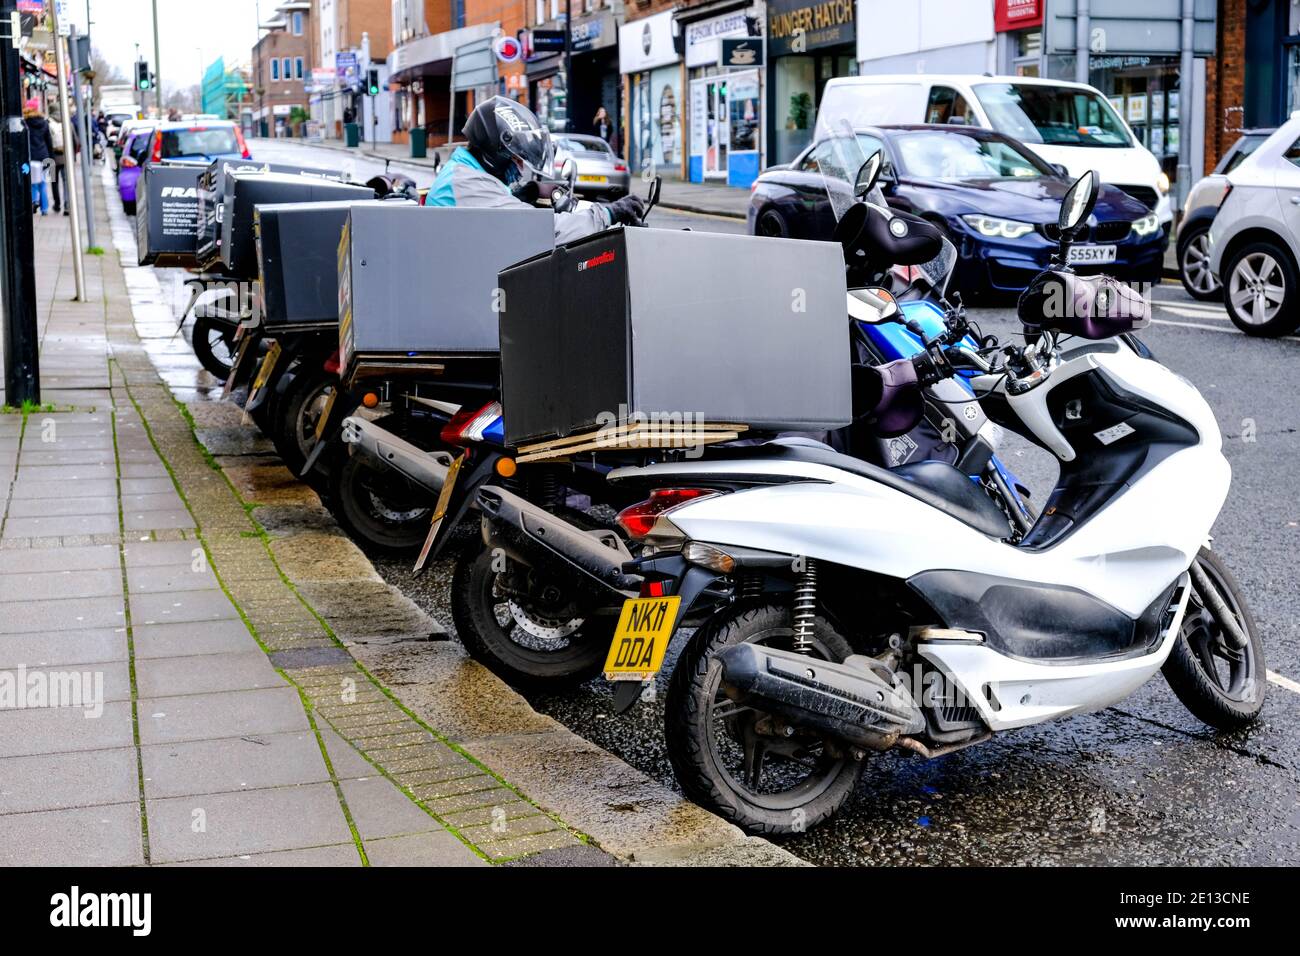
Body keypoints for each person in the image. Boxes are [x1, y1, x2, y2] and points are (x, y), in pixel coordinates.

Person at [428, 96, 643, 243]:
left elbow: (493, 206)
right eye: (517, 158)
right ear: (496, 153)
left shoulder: (464, 173)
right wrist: (608, 212)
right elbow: (544, 232)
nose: (520, 168)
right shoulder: (466, 183)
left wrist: (523, 193)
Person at [23, 99, 54, 216]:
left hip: (32, 158)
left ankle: (33, 203)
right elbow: (49, 141)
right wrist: (51, 158)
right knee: (43, 184)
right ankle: (45, 209)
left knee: (33, 184)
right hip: (44, 156)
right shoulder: (44, 122)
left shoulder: (25, 123)